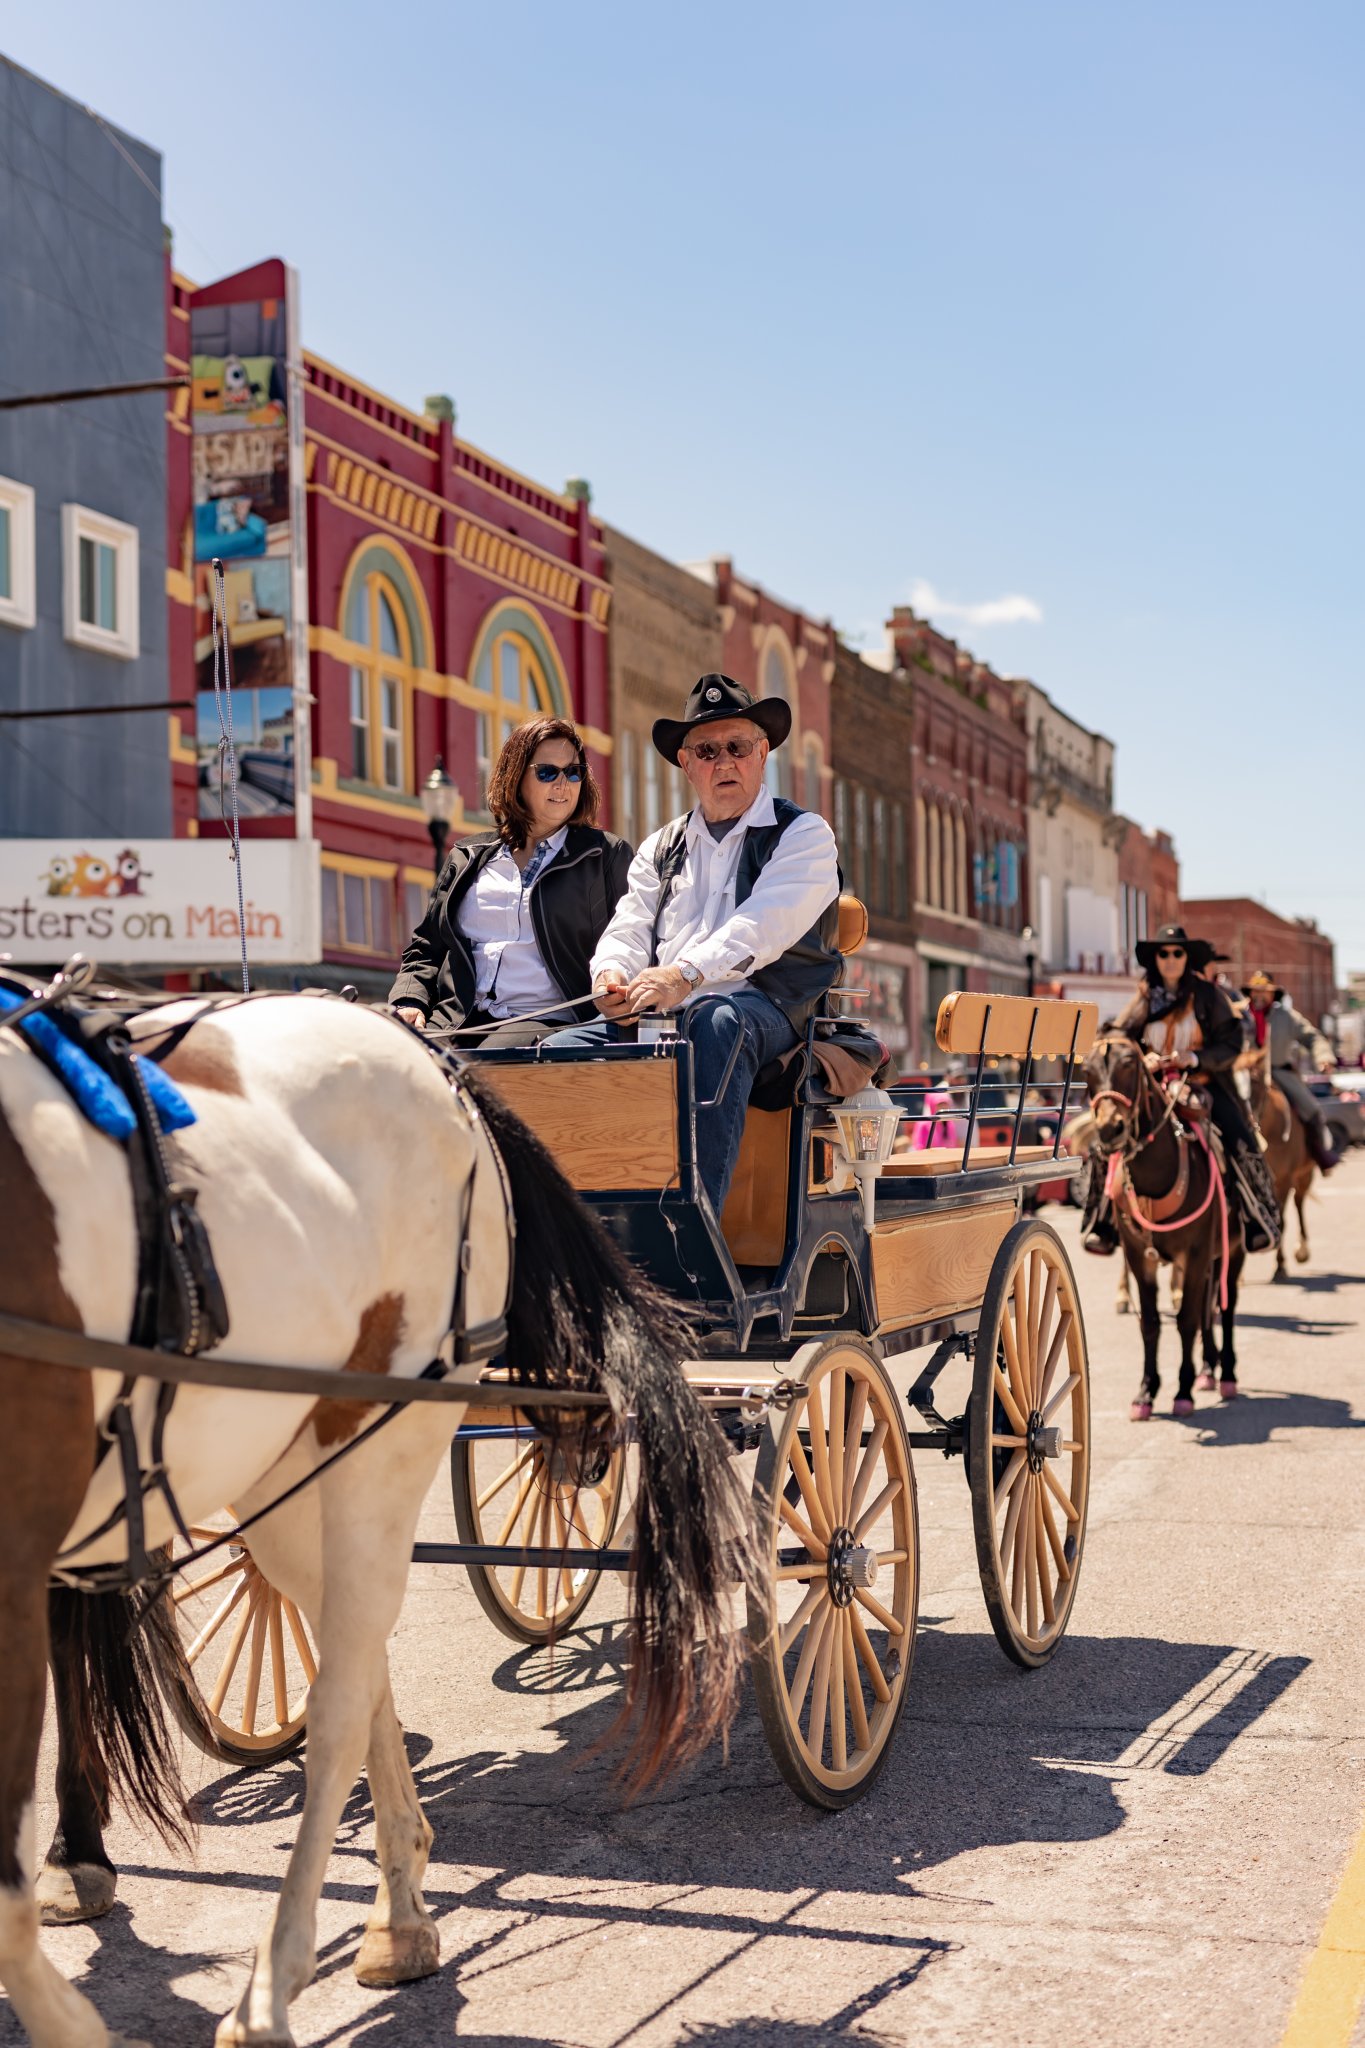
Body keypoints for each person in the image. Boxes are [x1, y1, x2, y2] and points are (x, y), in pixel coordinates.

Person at [546, 673, 840, 1218]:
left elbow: (762, 926)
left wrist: (683, 974)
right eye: (707, 750)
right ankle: (585, 1230)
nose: (723, 762)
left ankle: (693, 1236)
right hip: (669, 1006)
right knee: (557, 1054)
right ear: (686, 763)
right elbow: (628, 928)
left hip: (772, 1009)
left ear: (763, 754)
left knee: (716, 1022)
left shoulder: (803, 834)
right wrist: (610, 976)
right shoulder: (662, 845)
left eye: (738, 747)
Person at [389, 718, 632, 1047]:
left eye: (573, 772)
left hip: (546, 1021)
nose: (563, 784)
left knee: (481, 1065)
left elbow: (633, 940)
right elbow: (426, 949)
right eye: (548, 772)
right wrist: (410, 1001)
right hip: (457, 1020)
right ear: (516, 776)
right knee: (379, 1044)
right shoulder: (468, 855)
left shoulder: (604, 855)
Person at [1083, 923, 1279, 1255]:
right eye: (1164, 953)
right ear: (1155, 959)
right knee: (1106, 1138)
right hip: (1152, 1089)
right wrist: (1143, 1060)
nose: (1170, 959)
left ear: (1186, 957)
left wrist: (1194, 1057)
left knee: (1239, 1136)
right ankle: (1101, 1222)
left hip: (1204, 1084)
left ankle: (1258, 1213)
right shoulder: (1144, 997)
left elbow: (1232, 1043)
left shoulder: (1206, 995)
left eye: (1177, 953)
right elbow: (1119, 1035)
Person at [1242, 971, 1339, 1171]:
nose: (1259, 995)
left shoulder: (1286, 1017)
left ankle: (1319, 1153)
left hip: (1280, 1073)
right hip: (1245, 1075)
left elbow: (1312, 1036)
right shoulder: (1241, 1016)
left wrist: (1323, 1057)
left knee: (1310, 1108)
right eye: (1255, 990)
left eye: (1264, 991)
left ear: (1272, 994)